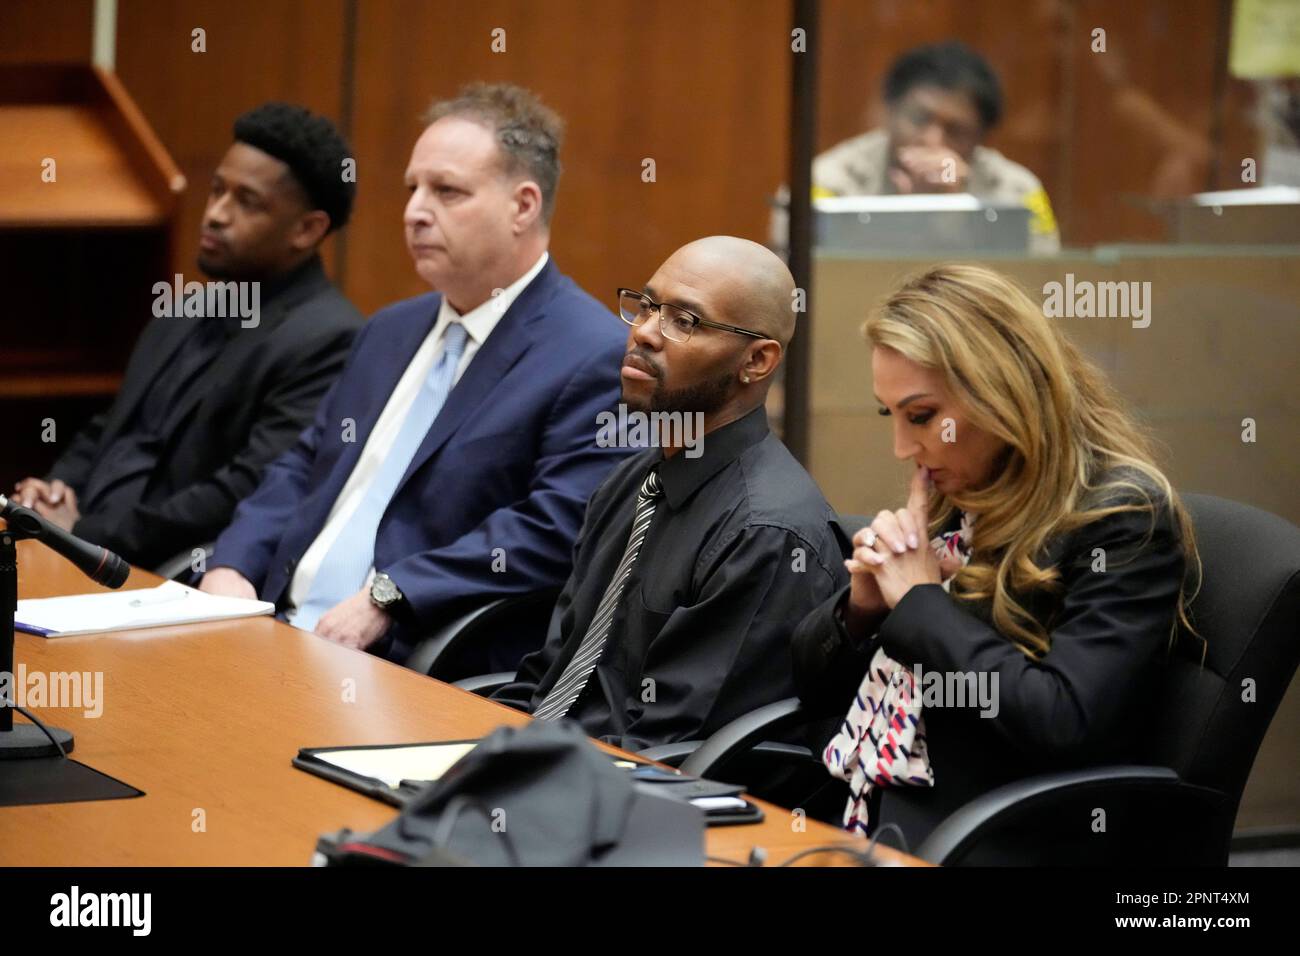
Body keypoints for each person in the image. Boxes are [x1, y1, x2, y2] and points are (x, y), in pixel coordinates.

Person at [200, 84, 630, 669]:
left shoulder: (593, 354)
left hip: (405, 660)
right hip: (273, 629)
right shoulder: (389, 331)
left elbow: (555, 529)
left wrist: (393, 595)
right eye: (412, 189)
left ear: (523, 206)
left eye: (446, 191)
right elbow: (304, 465)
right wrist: (233, 565)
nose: (414, 212)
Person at [791, 263, 1200, 850]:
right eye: (893, 416)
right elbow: (812, 685)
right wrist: (863, 607)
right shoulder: (965, 491)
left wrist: (920, 603)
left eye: (923, 416)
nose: (903, 448)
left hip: (1000, 831)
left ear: (999, 390)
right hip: (881, 813)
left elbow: (1066, 723)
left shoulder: (1120, 516)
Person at [491, 236, 848, 752]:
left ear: (757, 360)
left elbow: (671, 748)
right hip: (548, 757)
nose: (643, 332)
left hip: (634, 801)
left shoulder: (767, 534)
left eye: (684, 321)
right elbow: (551, 674)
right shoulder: (631, 481)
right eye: (647, 305)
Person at [12, 102, 363, 570]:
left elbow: (242, 491)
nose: (215, 214)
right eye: (217, 190)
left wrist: (80, 535)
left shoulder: (329, 338)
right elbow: (111, 428)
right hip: (78, 549)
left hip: (164, 574)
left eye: (246, 202)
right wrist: (54, 492)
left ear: (307, 229)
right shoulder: (187, 306)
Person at [812, 41, 1060, 253]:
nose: (932, 141)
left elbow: (1038, 279)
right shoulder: (826, 181)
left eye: (956, 130)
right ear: (888, 112)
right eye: (919, 119)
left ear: (982, 136)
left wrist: (955, 210)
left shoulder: (1020, 192)